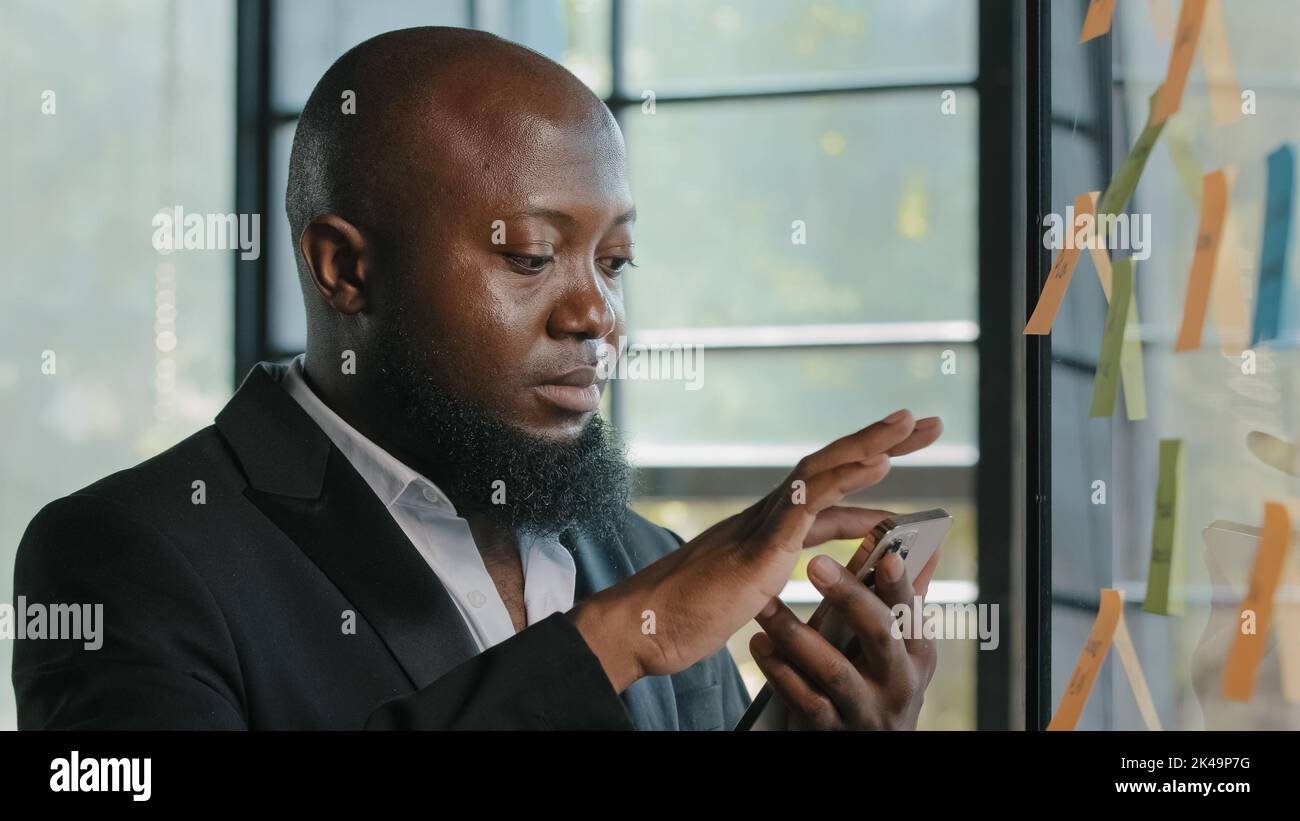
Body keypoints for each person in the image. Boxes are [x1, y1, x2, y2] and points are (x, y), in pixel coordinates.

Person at [13, 26, 944, 730]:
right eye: (535, 256)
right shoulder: (124, 555)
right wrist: (618, 640)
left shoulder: (641, 553)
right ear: (345, 268)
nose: (597, 314)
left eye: (614, 263)